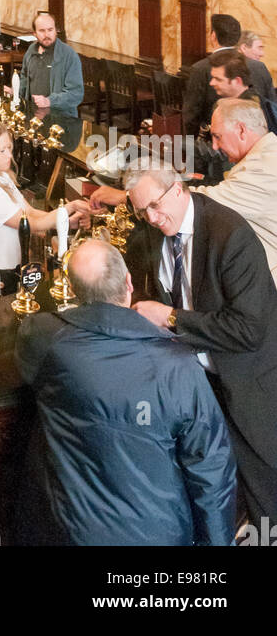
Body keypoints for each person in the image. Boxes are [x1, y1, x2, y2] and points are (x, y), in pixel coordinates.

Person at [15, 237, 236, 546]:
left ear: (76, 292)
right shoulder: (178, 366)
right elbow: (211, 469)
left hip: (71, 529)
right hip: (158, 533)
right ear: (129, 283)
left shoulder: (43, 337)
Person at [124, 162, 277, 528]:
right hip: (197, 383)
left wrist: (172, 317)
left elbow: (248, 330)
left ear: (178, 190)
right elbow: (143, 287)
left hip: (248, 383)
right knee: (210, 488)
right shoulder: (151, 230)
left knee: (263, 495)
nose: (152, 217)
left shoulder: (229, 234)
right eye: (141, 210)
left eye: (156, 206)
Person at [0, 121, 90, 295]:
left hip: (12, 268)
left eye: (9, 148)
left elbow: (30, 212)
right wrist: (68, 208)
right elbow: (29, 224)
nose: (9, 156)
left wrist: (66, 222)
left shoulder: (0, 176)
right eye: (3, 151)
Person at [208, 100, 277, 284]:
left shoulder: (262, 168)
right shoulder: (269, 151)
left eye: (217, 136)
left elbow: (207, 204)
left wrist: (133, 195)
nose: (214, 146)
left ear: (241, 130)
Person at [182, 13, 277, 134]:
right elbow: (272, 106)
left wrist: (190, 149)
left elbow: (191, 116)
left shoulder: (199, 68)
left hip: (214, 144)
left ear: (213, 36)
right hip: (256, 140)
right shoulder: (259, 66)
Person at [18, 11, 83, 119]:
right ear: (34, 34)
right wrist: (15, 90)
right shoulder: (31, 51)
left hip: (61, 120)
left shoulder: (68, 55)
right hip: (33, 117)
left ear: (56, 31)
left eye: (50, 30)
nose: (47, 35)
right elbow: (25, 79)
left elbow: (76, 94)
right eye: (42, 31)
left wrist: (49, 101)